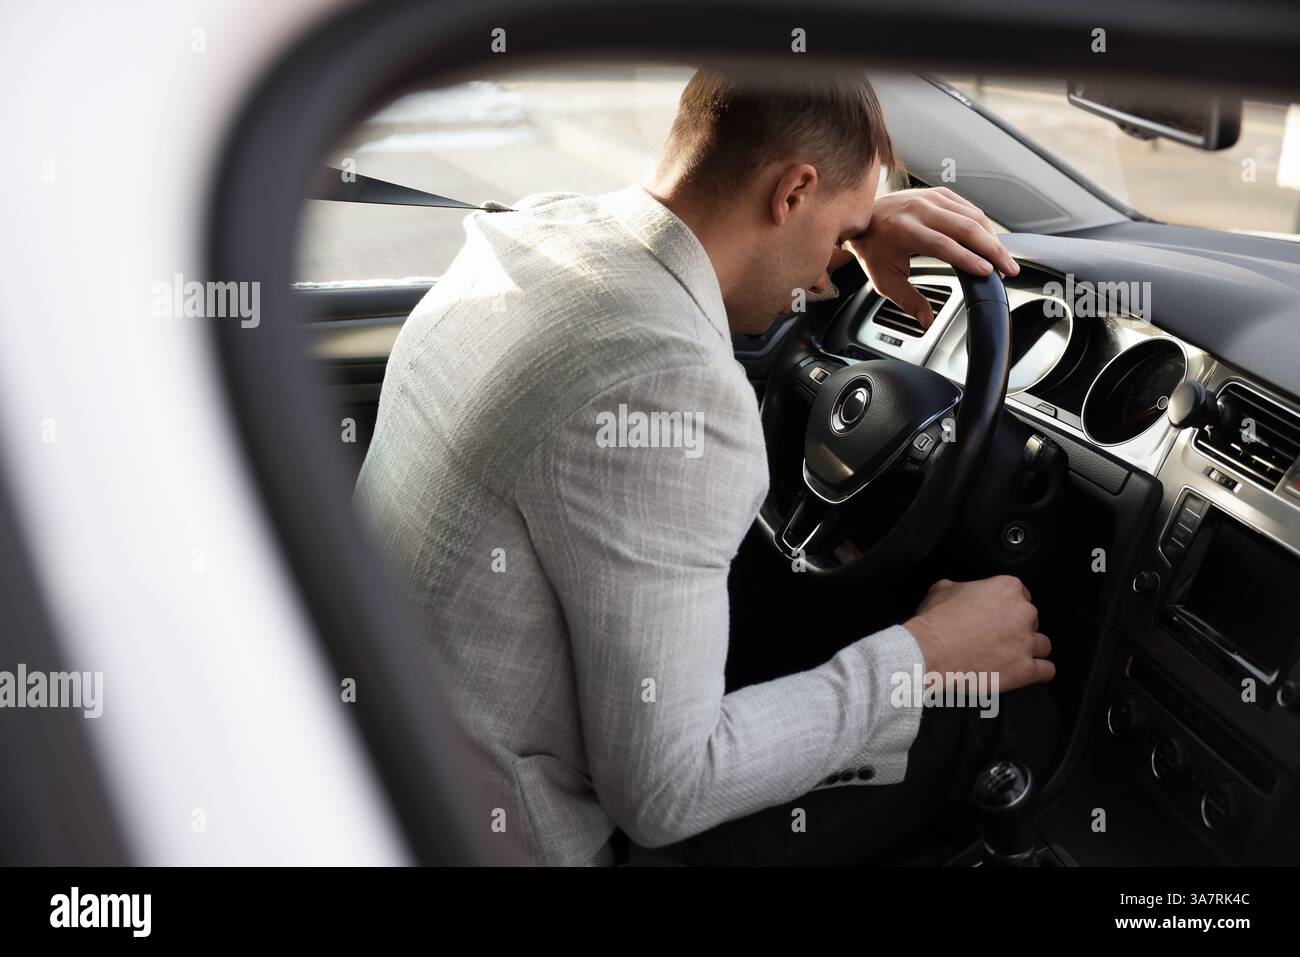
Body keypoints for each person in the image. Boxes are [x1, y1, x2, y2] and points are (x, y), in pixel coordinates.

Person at [353, 67, 1055, 866]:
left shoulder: (538, 237)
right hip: (517, 837)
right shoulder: (673, 393)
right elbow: (667, 792)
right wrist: (924, 656)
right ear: (791, 192)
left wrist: (851, 220)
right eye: (837, 232)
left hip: (394, 764)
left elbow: (742, 247)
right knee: (996, 711)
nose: (830, 273)